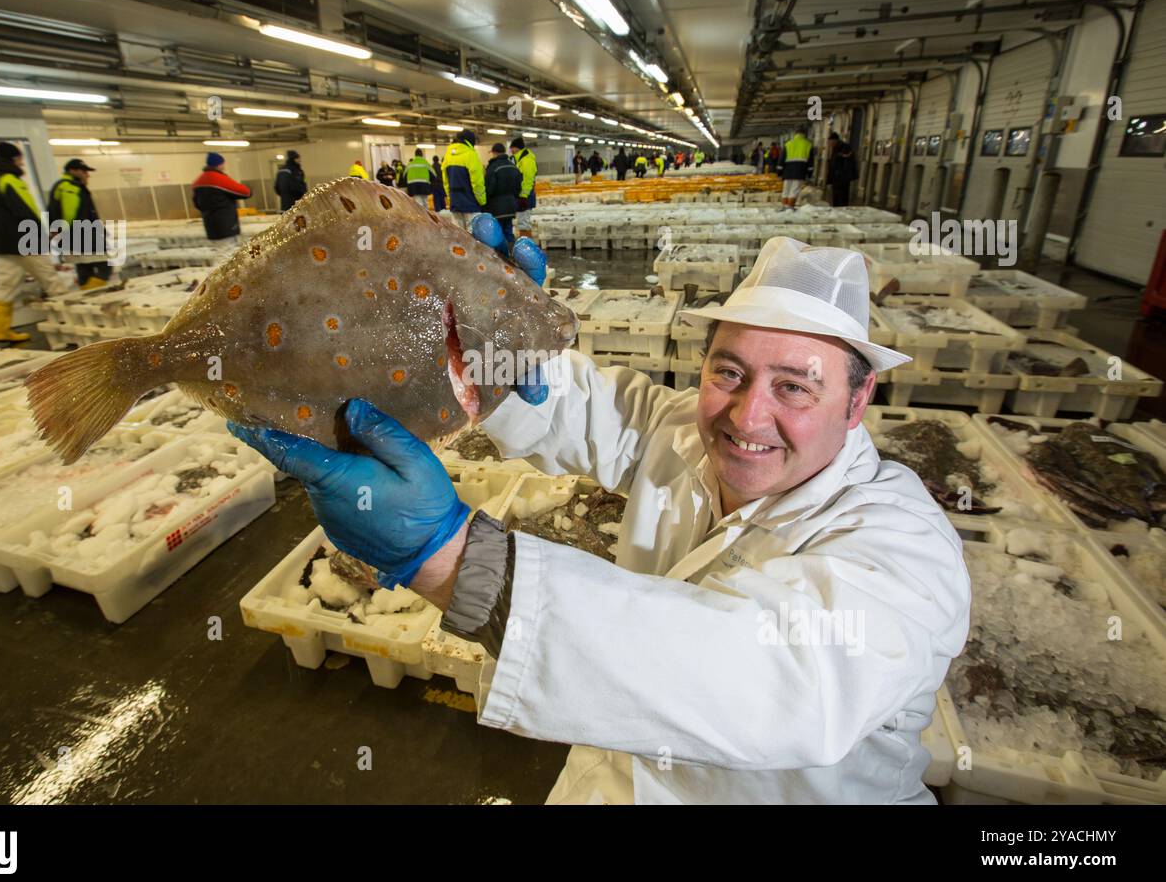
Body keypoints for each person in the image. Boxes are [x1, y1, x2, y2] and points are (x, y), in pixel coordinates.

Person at [228, 233, 970, 805]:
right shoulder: (688, 433)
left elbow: (769, 680)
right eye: (729, 373)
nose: (750, 416)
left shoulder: (903, 550)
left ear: (858, 399)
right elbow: (594, 409)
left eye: (795, 388)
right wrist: (491, 346)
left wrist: (450, 557)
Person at [0, 141, 70, 342]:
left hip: (3, 243)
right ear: (13, 159)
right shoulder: (10, 180)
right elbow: (25, 210)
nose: (22, 163)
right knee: (50, 280)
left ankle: (0, 330)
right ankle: (68, 322)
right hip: (24, 241)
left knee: (6, 284)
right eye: (20, 159)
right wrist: (41, 235)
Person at [48, 158, 109, 291]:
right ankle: (90, 295)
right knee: (105, 267)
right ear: (73, 171)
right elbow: (71, 213)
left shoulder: (65, 186)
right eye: (84, 171)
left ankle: (88, 299)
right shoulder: (70, 187)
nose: (87, 175)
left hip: (75, 235)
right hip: (82, 234)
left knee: (84, 269)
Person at [192, 152, 252, 249]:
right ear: (219, 164)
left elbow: (197, 204)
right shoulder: (218, 179)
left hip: (210, 224)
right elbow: (245, 192)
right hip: (225, 225)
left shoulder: (198, 181)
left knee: (220, 251)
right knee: (226, 253)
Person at [442, 128, 486, 230]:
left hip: (455, 202)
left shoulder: (448, 155)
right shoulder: (471, 155)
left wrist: (450, 198)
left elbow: (446, 182)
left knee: (459, 236)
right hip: (471, 204)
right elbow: (477, 182)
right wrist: (482, 201)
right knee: (474, 236)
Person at [483, 143, 521, 257]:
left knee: (497, 233)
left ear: (494, 153)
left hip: (496, 206)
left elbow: (489, 188)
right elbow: (518, 187)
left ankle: (501, 259)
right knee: (508, 232)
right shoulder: (513, 166)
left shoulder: (493, 168)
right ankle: (513, 257)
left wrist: (485, 204)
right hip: (510, 205)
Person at [509, 136, 537, 240]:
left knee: (524, 223)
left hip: (525, 197)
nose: (511, 150)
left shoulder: (527, 160)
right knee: (522, 223)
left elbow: (528, 179)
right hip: (521, 196)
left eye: (512, 148)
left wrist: (524, 196)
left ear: (517, 148)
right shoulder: (519, 159)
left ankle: (526, 247)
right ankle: (525, 245)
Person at [782, 127, 815, 209]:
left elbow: (781, 159)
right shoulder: (808, 144)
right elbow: (811, 162)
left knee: (786, 189)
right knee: (794, 190)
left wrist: (779, 172)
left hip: (787, 172)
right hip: (800, 171)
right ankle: (789, 208)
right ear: (804, 134)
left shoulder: (788, 144)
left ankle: (784, 206)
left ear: (795, 134)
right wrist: (810, 174)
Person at [826, 132, 859, 208]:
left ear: (835, 140)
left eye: (830, 142)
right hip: (836, 177)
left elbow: (847, 162)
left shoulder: (845, 147)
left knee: (842, 197)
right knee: (836, 196)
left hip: (842, 178)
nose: (829, 144)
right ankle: (836, 210)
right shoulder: (836, 148)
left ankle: (842, 211)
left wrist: (841, 174)